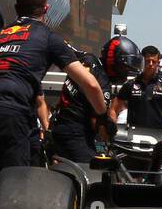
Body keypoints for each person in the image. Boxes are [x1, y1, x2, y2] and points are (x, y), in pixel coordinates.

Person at [0, 0, 104, 194]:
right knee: (14, 187)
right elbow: (90, 84)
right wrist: (104, 117)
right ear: (46, 9)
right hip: (9, 109)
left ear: (17, 8)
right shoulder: (48, 37)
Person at [50, 35, 140, 164]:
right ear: (114, 62)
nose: (126, 75)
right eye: (125, 69)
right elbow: (97, 124)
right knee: (94, 175)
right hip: (76, 134)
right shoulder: (102, 83)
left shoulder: (86, 58)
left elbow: (65, 45)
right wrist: (109, 129)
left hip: (60, 127)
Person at [112, 44, 162, 129]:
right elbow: (113, 109)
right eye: (147, 61)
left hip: (158, 137)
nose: (150, 64)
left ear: (158, 63)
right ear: (142, 61)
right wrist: (112, 130)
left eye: (154, 61)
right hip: (133, 136)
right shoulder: (130, 85)